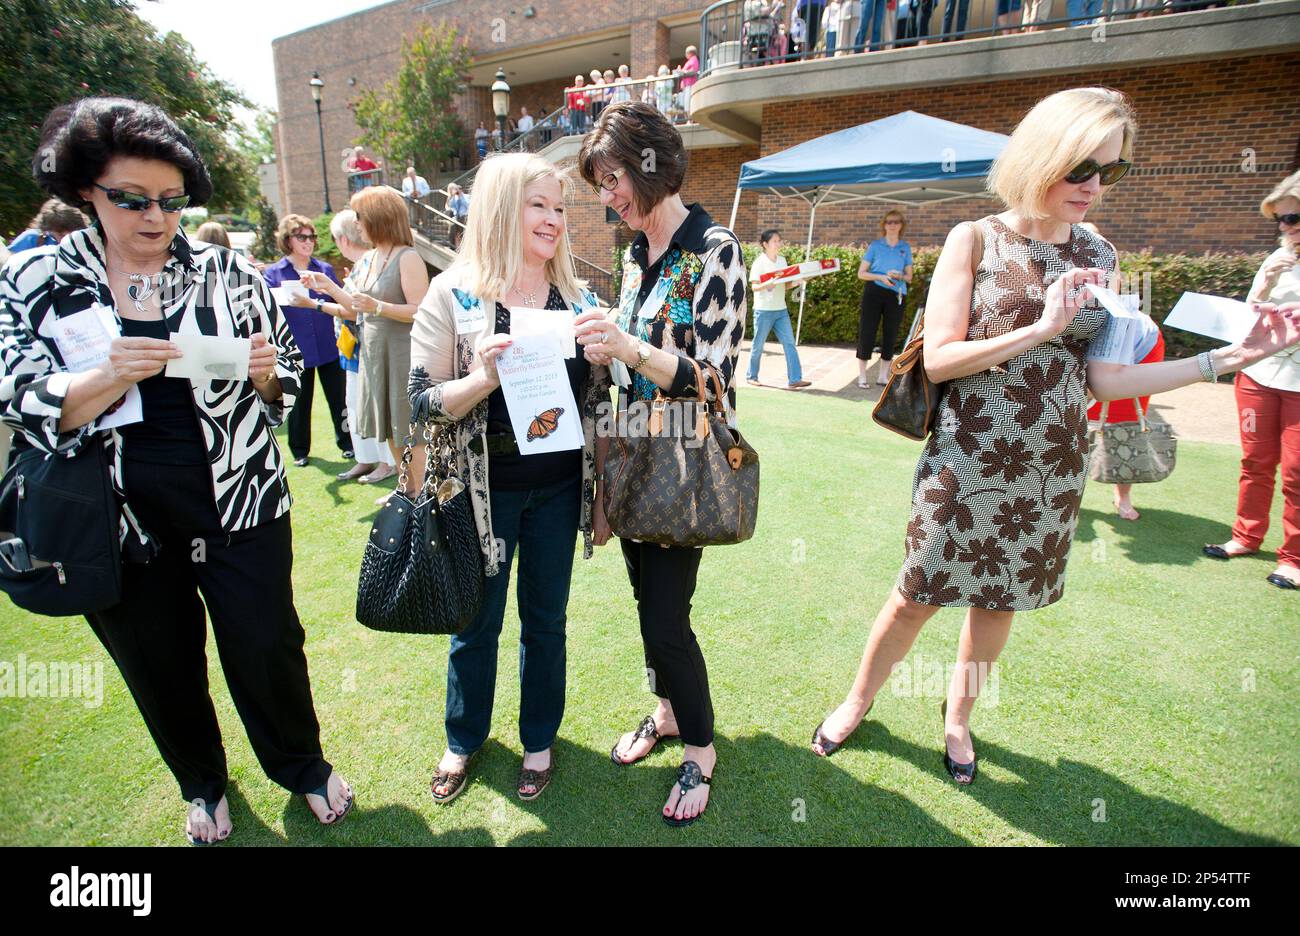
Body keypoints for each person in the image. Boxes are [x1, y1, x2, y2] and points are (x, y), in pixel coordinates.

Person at [808, 87, 1300, 784]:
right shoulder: (974, 238)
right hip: (966, 456)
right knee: (917, 593)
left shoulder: (1100, 251)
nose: (1095, 187)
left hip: (1054, 465)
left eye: (1111, 172)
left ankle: (957, 720)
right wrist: (1038, 329)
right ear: (1042, 157)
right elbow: (941, 358)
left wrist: (1222, 361)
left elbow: (1103, 379)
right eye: (1082, 169)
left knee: (999, 601)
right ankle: (858, 701)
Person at [0, 96, 354, 844]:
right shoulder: (36, 280)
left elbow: (287, 377)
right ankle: (202, 782)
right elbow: (20, 401)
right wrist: (103, 377)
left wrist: (265, 375)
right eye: (131, 199)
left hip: (240, 501)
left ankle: (302, 766)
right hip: (115, 516)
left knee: (266, 647)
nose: (155, 217)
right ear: (86, 192)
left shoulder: (226, 269)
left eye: (170, 201)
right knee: (159, 664)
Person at [409, 152, 613, 805]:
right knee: (475, 623)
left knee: (545, 622)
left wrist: (602, 491)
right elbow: (418, 401)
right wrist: (480, 380)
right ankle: (462, 739)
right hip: (480, 494)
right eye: (539, 205)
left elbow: (599, 406)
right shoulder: (455, 291)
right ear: (501, 208)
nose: (554, 219)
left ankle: (538, 741)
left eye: (559, 208)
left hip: (557, 491)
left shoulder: (578, 297)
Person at [576, 101, 748, 826]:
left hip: (685, 459)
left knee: (666, 617)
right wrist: (605, 354)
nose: (610, 197)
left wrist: (632, 348)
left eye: (613, 179)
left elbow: (716, 377)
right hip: (632, 455)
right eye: (603, 185)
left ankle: (700, 749)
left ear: (651, 164)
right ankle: (668, 710)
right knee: (649, 608)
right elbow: (630, 369)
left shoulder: (716, 248)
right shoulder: (633, 254)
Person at [1204, 170, 1300, 590]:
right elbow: (1251, 320)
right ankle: (1245, 536)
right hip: (1261, 374)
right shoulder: (1277, 259)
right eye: (1280, 219)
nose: (1286, 227)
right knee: (1256, 462)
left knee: (1297, 472)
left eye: (1294, 217)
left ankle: (1293, 559)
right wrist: (1265, 283)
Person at [297, 210, 397, 484]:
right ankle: (365, 459)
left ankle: (387, 463)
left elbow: (355, 310)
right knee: (354, 407)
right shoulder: (362, 264)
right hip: (351, 349)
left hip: (368, 347)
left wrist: (318, 300)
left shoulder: (373, 262)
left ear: (342, 239)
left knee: (373, 408)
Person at [347, 184, 430, 505]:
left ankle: (418, 493)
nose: (356, 223)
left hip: (401, 356)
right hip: (374, 356)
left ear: (378, 218)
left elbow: (420, 310)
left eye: (360, 216)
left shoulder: (408, 257)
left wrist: (379, 307)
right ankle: (405, 486)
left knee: (407, 426)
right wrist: (325, 289)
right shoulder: (369, 258)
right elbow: (357, 304)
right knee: (391, 427)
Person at [1077, 220, 1165, 522]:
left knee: (1123, 421)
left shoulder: (1105, 274)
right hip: (1085, 346)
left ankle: (1122, 495)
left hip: (1139, 348)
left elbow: (1105, 378)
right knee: (1070, 419)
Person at [261, 214, 351, 467]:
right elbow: (268, 308)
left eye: (311, 237)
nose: (308, 241)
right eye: (302, 237)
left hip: (328, 347)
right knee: (300, 403)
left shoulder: (323, 270)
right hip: (295, 350)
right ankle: (299, 450)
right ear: (288, 240)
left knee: (339, 398)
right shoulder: (274, 273)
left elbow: (339, 302)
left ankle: (347, 444)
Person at [856, 209, 913, 387]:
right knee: (867, 331)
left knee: (890, 333)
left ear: (901, 225)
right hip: (874, 291)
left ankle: (882, 376)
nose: (892, 225)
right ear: (884, 225)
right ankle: (862, 376)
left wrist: (899, 276)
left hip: (896, 293)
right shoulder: (875, 246)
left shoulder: (905, 248)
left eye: (896, 222)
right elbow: (862, 273)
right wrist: (880, 277)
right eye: (889, 222)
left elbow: (909, 277)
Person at [747, 229, 810, 389]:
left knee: (789, 343)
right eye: (775, 241)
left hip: (781, 310)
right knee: (758, 345)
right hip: (763, 311)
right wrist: (767, 284)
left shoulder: (782, 261)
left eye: (779, 241)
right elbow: (754, 287)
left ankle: (795, 379)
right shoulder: (759, 263)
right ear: (765, 244)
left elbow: (786, 285)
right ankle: (751, 376)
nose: (778, 244)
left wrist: (798, 281)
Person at [7, 198, 88, 253]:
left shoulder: (85, 239)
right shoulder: (32, 238)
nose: (68, 238)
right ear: (49, 230)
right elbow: (8, 266)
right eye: (61, 234)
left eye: (73, 233)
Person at [447, 182, 470, 248]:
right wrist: (452, 196)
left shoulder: (466, 197)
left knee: (463, 231)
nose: (458, 190)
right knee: (453, 228)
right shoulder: (455, 198)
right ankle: (453, 246)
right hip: (457, 217)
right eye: (457, 189)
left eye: (459, 189)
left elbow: (468, 205)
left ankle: (463, 246)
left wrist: (461, 197)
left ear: (462, 189)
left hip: (464, 216)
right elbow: (450, 205)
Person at [680, 45, 701, 111]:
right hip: (687, 84)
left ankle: (689, 119)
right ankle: (689, 119)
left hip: (690, 84)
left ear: (690, 53)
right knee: (687, 102)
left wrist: (683, 72)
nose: (686, 55)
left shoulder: (694, 60)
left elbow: (693, 71)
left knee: (688, 102)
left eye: (686, 53)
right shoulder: (691, 60)